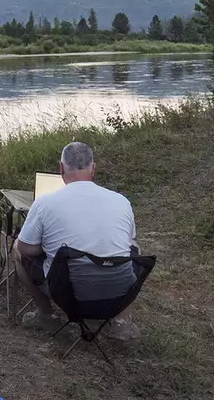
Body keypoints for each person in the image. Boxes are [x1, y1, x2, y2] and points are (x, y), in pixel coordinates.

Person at [13, 140, 140, 338]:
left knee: (16, 248)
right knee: (134, 247)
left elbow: (26, 248)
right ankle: (121, 323)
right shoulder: (121, 201)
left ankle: (46, 316)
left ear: (61, 168)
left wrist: (48, 247)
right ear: (93, 168)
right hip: (117, 294)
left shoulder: (45, 202)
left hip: (69, 294)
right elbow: (129, 242)